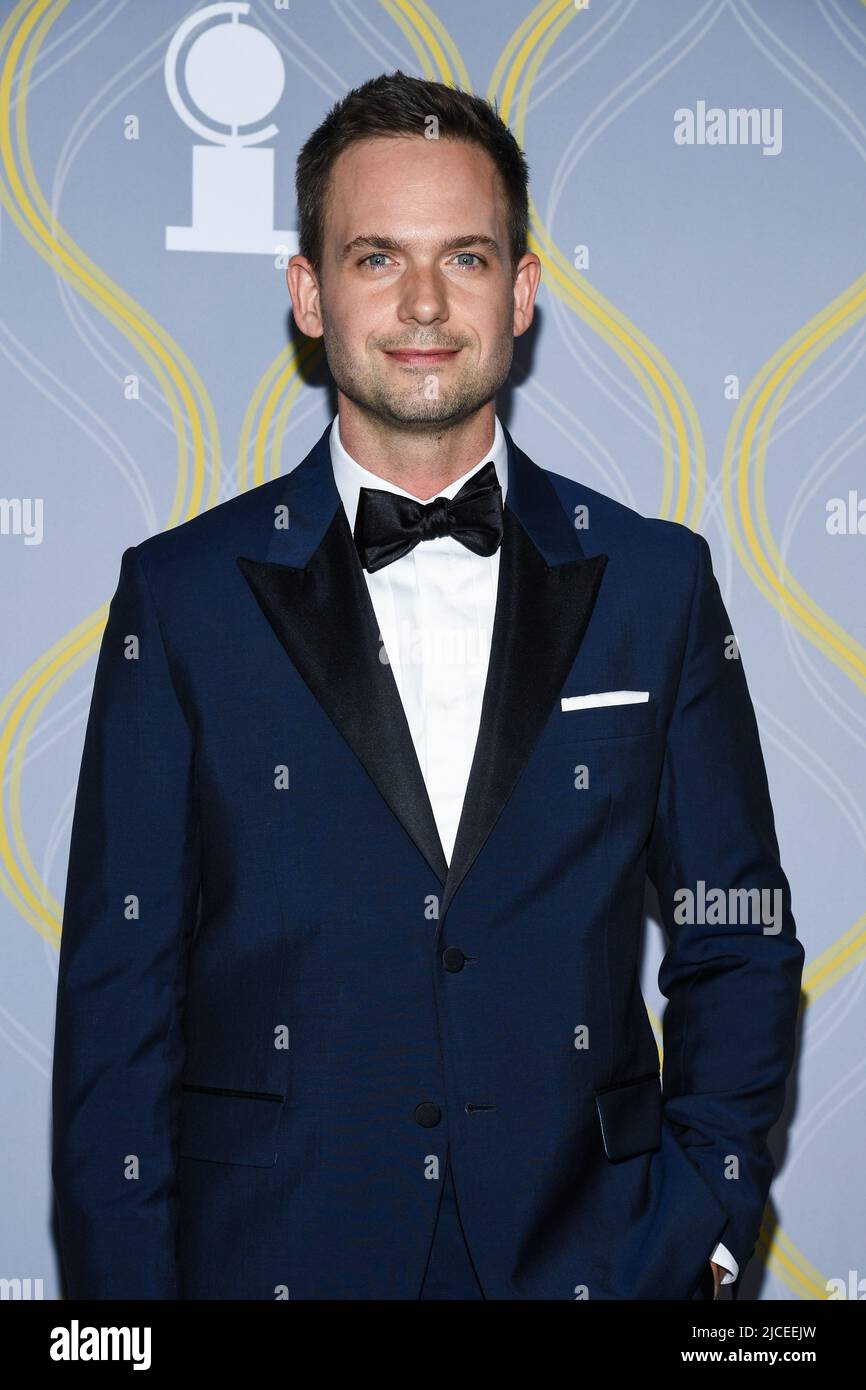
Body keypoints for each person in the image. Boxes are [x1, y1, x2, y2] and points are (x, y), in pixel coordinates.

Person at [52, 70, 804, 1301]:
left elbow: (738, 930)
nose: (419, 304)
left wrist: (699, 1228)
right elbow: (118, 996)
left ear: (518, 293)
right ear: (308, 295)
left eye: (461, 258)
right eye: (372, 258)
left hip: (592, 1263)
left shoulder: (655, 583)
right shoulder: (180, 599)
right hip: (270, 1261)